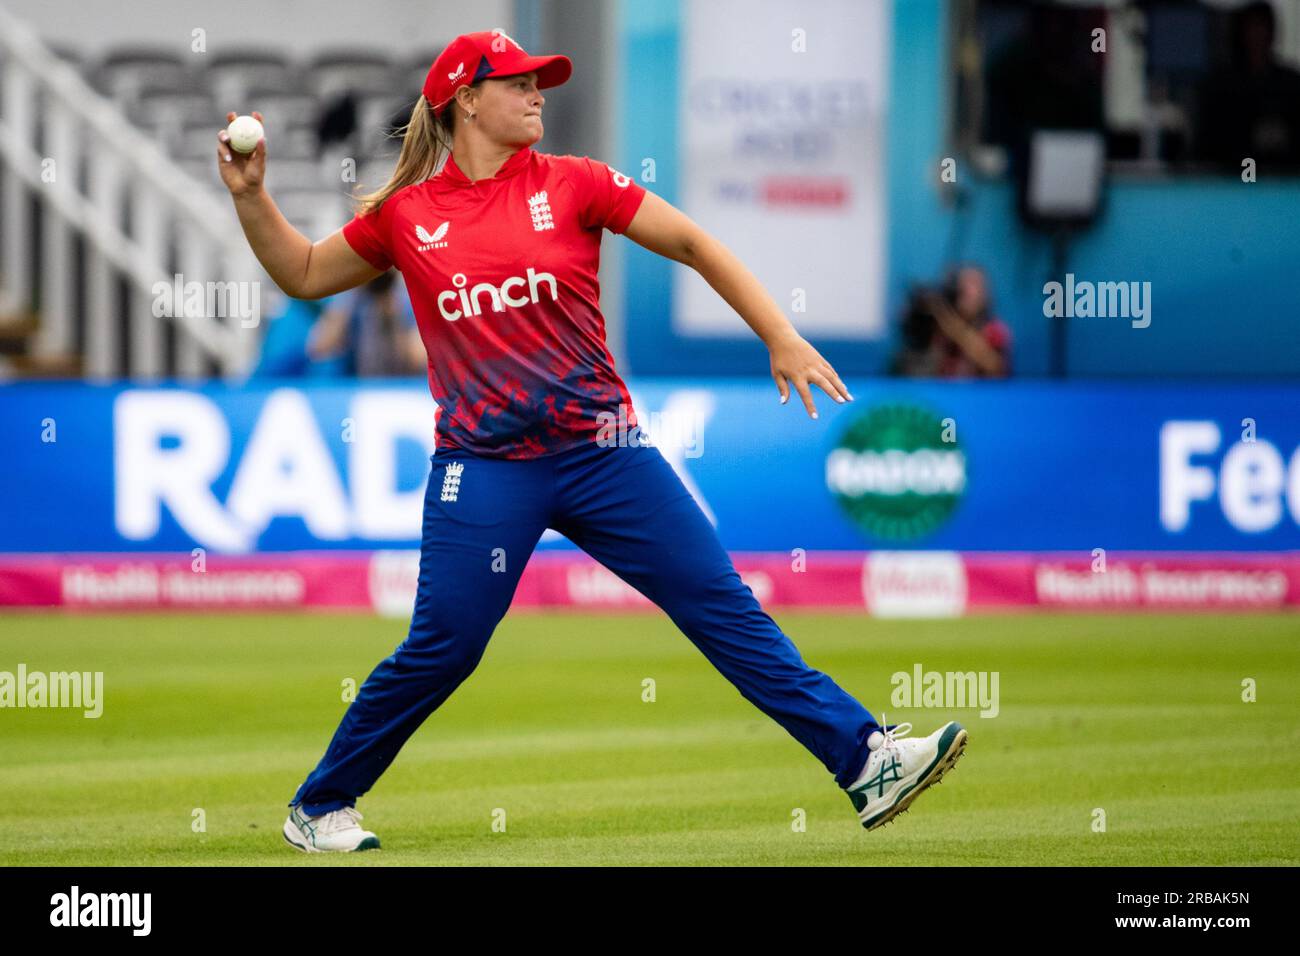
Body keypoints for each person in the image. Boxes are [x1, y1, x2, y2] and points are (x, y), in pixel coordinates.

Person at [217, 30, 966, 853]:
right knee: (445, 647)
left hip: (605, 454)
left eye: (542, 82)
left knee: (723, 607)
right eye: (518, 82)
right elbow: (306, 274)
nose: (539, 93)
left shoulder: (574, 183)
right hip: (487, 467)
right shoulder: (409, 216)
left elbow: (693, 242)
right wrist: (254, 197)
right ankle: (320, 804)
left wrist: (778, 334)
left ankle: (866, 762)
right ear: (466, 99)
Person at [891, 265, 1011, 379]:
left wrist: (946, 318)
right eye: (961, 283)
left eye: (973, 284)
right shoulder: (939, 325)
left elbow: (996, 368)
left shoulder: (994, 330)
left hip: (981, 397)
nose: (965, 290)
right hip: (943, 395)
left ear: (985, 293)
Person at [306, 269, 425, 376]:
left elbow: (418, 359)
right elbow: (318, 348)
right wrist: (352, 287)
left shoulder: (407, 299)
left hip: (401, 387)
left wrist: (392, 310)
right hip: (360, 389)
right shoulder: (352, 301)